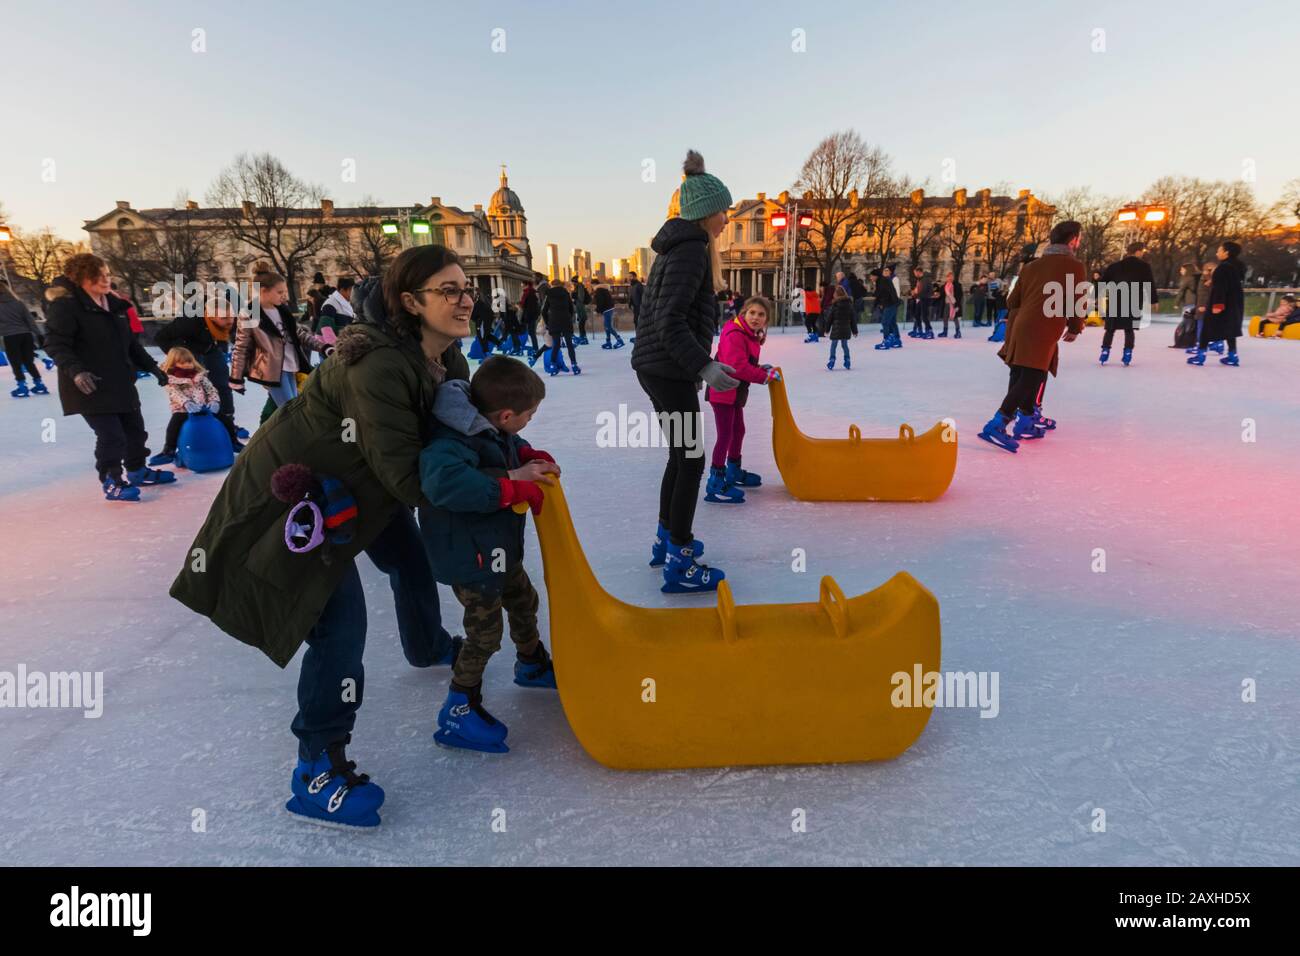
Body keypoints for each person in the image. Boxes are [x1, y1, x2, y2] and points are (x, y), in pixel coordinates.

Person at [170, 245, 473, 829]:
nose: (466, 300)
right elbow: (409, 476)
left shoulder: (446, 356)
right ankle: (315, 766)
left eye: (467, 288)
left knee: (409, 558)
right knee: (339, 623)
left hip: (360, 486)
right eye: (449, 290)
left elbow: (459, 427)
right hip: (295, 497)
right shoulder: (377, 366)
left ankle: (427, 643)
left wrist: (507, 450)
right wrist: (499, 487)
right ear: (410, 303)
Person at [418, 356, 560, 753]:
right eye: (528, 417)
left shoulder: (486, 425)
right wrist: (513, 479)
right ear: (506, 413)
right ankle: (459, 707)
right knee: (484, 634)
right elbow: (444, 483)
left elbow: (506, 444)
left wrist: (528, 453)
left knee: (523, 599)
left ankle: (531, 663)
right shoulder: (450, 440)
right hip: (470, 557)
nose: (528, 423)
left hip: (497, 549)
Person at [631, 149, 738, 593]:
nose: (726, 220)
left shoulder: (679, 247)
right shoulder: (692, 248)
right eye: (723, 212)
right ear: (705, 213)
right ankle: (679, 557)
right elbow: (668, 319)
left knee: (682, 457)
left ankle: (666, 541)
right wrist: (706, 366)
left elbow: (669, 314)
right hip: (669, 369)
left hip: (659, 367)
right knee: (691, 460)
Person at [43, 253, 174, 500]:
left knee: (135, 431)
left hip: (121, 381)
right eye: (98, 275)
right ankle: (111, 479)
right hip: (89, 384)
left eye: (107, 274)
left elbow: (131, 345)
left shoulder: (114, 305)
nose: (105, 280)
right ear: (81, 278)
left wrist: (153, 367)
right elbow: (55, 344)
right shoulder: (66, 306)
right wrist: (76, 371)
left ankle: (137, 470)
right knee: (111, 435)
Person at [978, 221, 1088, 453]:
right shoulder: (1074, 266)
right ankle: (998, 423)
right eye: (1078, 238)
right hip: (1044, 325)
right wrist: (1076, 327)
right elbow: (1076, 299)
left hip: (1020, 324)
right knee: (1032, 375)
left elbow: (1011, 301)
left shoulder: (1031, 267)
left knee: (1019, 371)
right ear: (1073, 240)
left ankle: (1026, 422)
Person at [704, 296, 778, 503]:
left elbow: (746, 362)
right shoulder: (735, 334)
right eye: (752, 313)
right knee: (725, 434)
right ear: (744, 313)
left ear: (766, 320)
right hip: (723, 390)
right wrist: (763, 377)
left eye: (761, 314)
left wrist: (760, 369)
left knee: (738, 430)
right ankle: (716, 480)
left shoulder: (749, 334)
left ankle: (733, 471)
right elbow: (738, 366)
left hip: (733, 391)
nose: (756, 317)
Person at [230, 263, 331, 408]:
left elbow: (300, 334)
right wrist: (236, 378)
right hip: (273, 370)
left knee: (295, 407)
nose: (284, 296)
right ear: (264, 291)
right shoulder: (249, 313)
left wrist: (323, 347)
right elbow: (241, 347)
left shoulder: (282, 310)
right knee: (291, 410)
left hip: (292, 364)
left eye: (284, 291)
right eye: (279, 292)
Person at [153, 293, 244, 451]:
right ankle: (191, 425)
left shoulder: (229, 321)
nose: (230, 321)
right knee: (196, 387)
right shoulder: (190, 320)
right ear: (211, 315)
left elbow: (238, 338)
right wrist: (179, 356)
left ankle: (228, 422)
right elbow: (160, 337)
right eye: (224, 318)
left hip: (209, 347)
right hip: (188, 351)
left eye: (231, 316)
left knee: (222, 383)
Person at [151, 346, 222, 463]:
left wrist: (214, 401)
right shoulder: (170, 379)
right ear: (174, 363)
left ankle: (233, 441)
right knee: (174, 425)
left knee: (225, 418)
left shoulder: (199, 375)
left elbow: (211, 390)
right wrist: (186, 403)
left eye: (189, 361)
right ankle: (169, 450)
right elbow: (174, 393)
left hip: (205, 408)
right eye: (182, 363)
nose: (188, 365)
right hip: (182, 410)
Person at [1099, 241, 1158, 366]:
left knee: (1110, 329)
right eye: (1142, 251)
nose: (1142, 254)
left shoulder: (1114, 266)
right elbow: (1149, 284)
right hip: (1134, 301)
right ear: (1138, 251)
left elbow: (1103, 283)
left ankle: (1105, 351)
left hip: (1116, 300)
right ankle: (1128, 352)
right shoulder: (1144, 266)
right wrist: (1154, 301)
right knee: (1129, 329)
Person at [1189, 241, 1246, 367]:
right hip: (1235, 302)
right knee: (1230, 329)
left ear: (1226, 252)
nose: (1217, 253)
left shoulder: (1223, 267)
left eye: (1219, 250)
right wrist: (1213, 280)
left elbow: (1221, 287)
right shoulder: (1239, 266)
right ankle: (1232, 356)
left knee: (1207, 328)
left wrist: (1217, 305)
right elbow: (1232, 282)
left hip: (1220, 303)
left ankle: (1200, 355)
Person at [1, 279, 49, 397]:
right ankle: (39, 384)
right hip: (26, 335)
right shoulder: (18, 303)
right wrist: (38, 334)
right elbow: (29, 319)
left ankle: (22, 386)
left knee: (15, 362)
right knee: (29, 361)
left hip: (10, 336)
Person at [541, 278, 579, 375]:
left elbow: (543, 311)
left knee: (556, 344)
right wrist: (569, 318)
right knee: (569, 344)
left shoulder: (549, 294)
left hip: (554, 321)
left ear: (552, 285)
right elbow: (571, 309)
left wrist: (548, 323)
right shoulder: (566, 293)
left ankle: (553, 365)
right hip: (566, 320)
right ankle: (574, 365)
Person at [825, 285, 856, 369]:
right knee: (844, 345)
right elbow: (853, 319)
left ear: (836, 294)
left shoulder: (835, 305)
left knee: (833, 345)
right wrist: (854, 331)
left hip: (836, 329)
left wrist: (827, 330)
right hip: (846, 329)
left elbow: (830, 319)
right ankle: (847, 359)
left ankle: (832, 359)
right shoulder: (849, 305)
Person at [873, 266, 902, 350]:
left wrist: (895, 302)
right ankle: (896, 339)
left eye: (887, 271)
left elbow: (895, 291)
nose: (885, 272)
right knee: (892, 322)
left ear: (890, 272)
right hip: (889, 303)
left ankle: (889, 340)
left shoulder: (893, 279)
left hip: (891, 303)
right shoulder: (884, 280)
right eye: (884, 271)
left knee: (886, 322)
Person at [594, 279, 622, 349]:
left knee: (608, 326)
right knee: (606, 326)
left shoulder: (599, 290)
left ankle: (619, 340)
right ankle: (608, 342)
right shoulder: (603, 289)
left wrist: (597, 310)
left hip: (607, 309)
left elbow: (600, 302)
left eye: (592, 284)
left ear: (594, 284)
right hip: (608, 309)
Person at [519, 278, 542, 365]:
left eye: (522, 284)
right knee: (531, 333)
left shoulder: (528, 293)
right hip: (531, 315)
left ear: (526, 284)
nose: (521, 285)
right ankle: (534, 348)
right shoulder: (532, 292)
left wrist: (519, 306)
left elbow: (524, 304)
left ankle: (535, 348)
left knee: (531, 333)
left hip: (529, 315)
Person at [908, 266, 933, 338]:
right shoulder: (920, 280)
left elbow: (924, 290)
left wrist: (915, 294)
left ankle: (929, 331)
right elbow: (918, 289)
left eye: (915, 273)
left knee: (924, 316)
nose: (915, 274)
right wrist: (914, 293)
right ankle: (920, 330)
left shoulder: (925, 279)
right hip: (920, 299)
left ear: (919, 272)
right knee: (917, 315)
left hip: (924, 299)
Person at [940, 271, 963, 338]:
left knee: (955, 318)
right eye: (948, 277)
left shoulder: (957, 285)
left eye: (951, 276)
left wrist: (957, 305)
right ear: (946, 278)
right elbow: (942, 294)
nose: (950, 278)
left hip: (954, 304)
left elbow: (959, 296)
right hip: (947, 303)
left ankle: (958, 332)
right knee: (945, 317)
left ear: (953, 277)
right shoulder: (945, 285)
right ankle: (945, 331)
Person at [571, 276, 590, 345]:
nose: (572, 283)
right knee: (581, 325)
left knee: (581, 325)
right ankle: (583, 338)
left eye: (573, 282)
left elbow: (581, 298)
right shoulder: (577, 287)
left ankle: (583, 338)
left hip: (581, 309)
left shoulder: (580, 286)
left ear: (575, 281)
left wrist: (575, 296)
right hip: (579, 309)